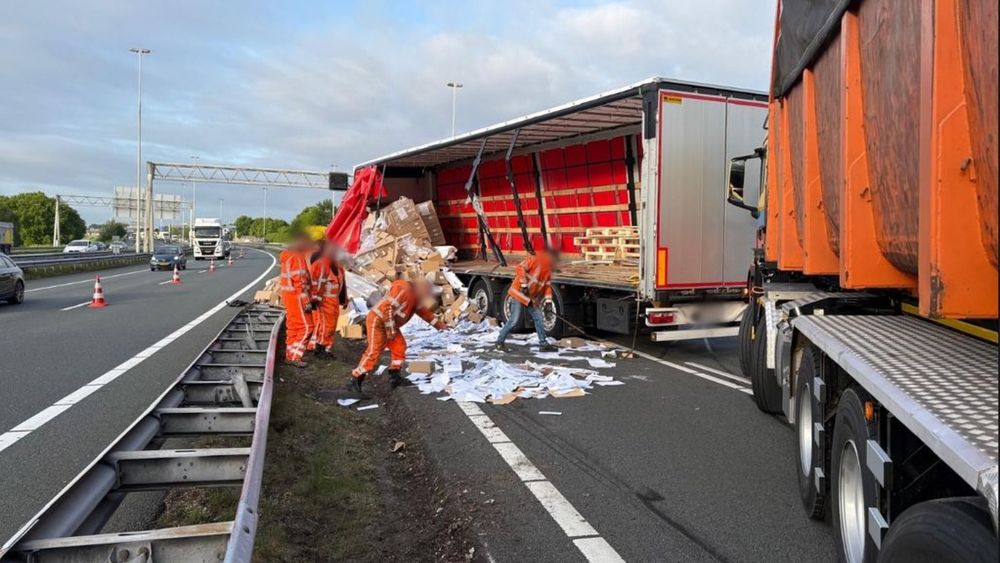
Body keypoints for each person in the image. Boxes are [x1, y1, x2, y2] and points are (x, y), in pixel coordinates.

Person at [350, 278, 446, 393]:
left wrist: (442, 327)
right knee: (374, 351)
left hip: (390, 324)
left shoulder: (415, 298)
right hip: (378, 321)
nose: (426, 296)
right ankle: (356, 378)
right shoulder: (403, 288)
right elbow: (387, 307)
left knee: (399, 347)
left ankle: (394, 376)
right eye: (426, 292)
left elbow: (425, 314)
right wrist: (390, 330)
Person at [496, 249, 558, 352]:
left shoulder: (548, 271)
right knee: (514, 321)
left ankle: (543, 344)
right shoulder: (534, 260)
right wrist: (524, 284)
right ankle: (499, 341)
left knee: (539, 318)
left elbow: (547, 286)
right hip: (519, 293)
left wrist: (548, 302)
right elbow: (520, 267)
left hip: (530, 298)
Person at [279, 232, 315, 367]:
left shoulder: (288, 256)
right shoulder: (297, 257)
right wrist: (306, 301)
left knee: (293, 327)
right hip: (297, 298)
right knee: (307, 327)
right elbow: (300, 282)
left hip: (289, 297)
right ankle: (295, 357)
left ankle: (289, 354)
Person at [307, 240, 347, 357]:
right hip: (324, 300)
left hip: (334, 300)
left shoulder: (337, 265)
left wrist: (344, 299)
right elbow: (314, 282)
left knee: (331, 325)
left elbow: (342, 283)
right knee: (326, 325)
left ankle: (326, 348)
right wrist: (314, 300)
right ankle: (320, 349)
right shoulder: (321, 264)